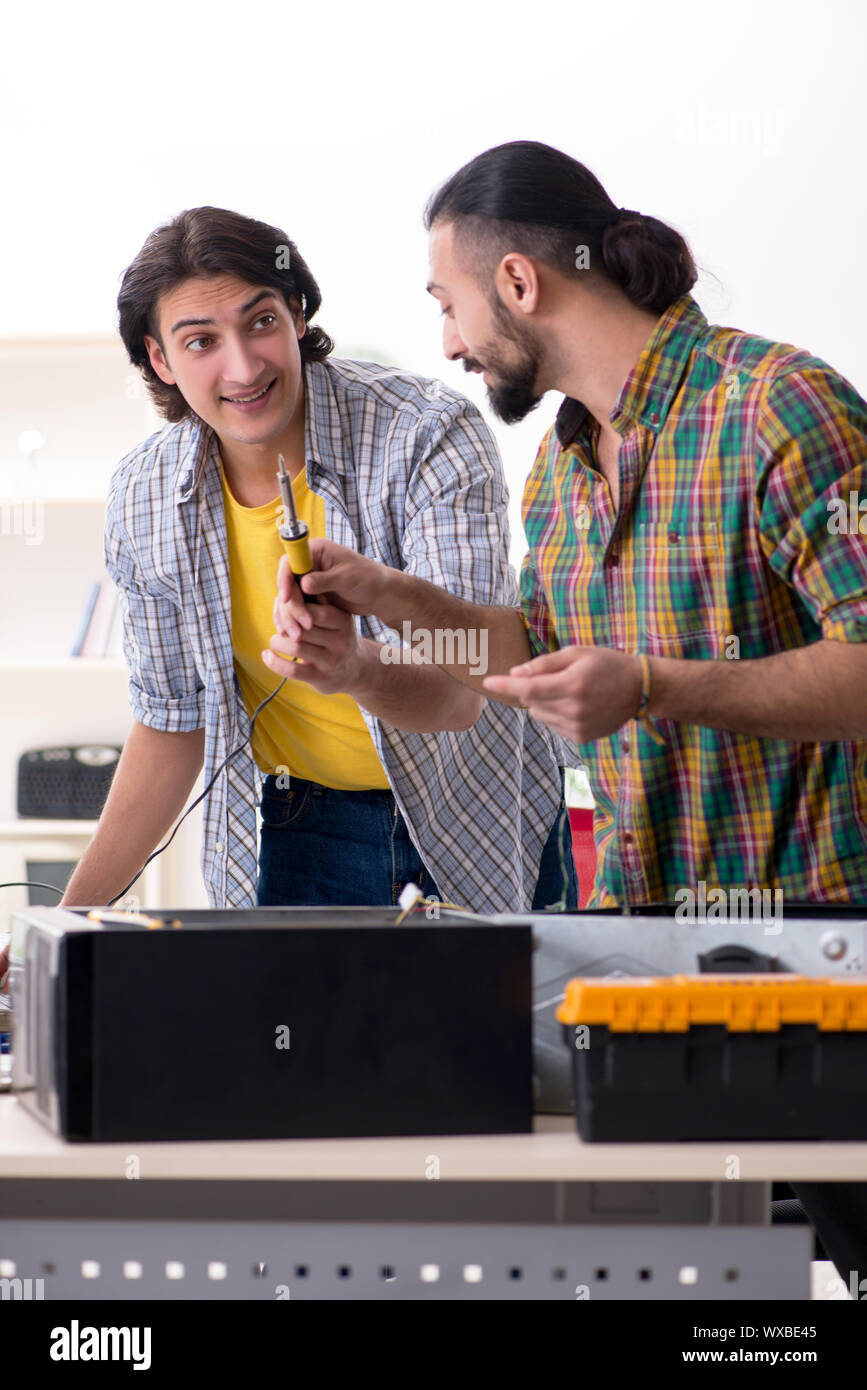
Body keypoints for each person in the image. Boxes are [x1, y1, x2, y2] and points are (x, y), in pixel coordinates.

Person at [276, 140, 867, 909]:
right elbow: (533, 661)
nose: (448, 343)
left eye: (448, 306)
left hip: (811, 942)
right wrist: (387, 597)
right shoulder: (560, 468)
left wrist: (649, 685)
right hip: (631, 933)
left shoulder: (777, 405)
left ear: (518, 282)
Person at [56, 205, 576, 915]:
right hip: (298, 829)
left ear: (297, 313)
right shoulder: (145, 495)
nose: (242, 367)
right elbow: (172, 725)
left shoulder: (425, 433)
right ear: (159, 360)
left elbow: (463, 689)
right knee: (293, 1030)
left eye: (261, 321)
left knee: (487, 1027)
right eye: (201, 341)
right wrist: (60, 925)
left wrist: (356, 669)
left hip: (475, 812)